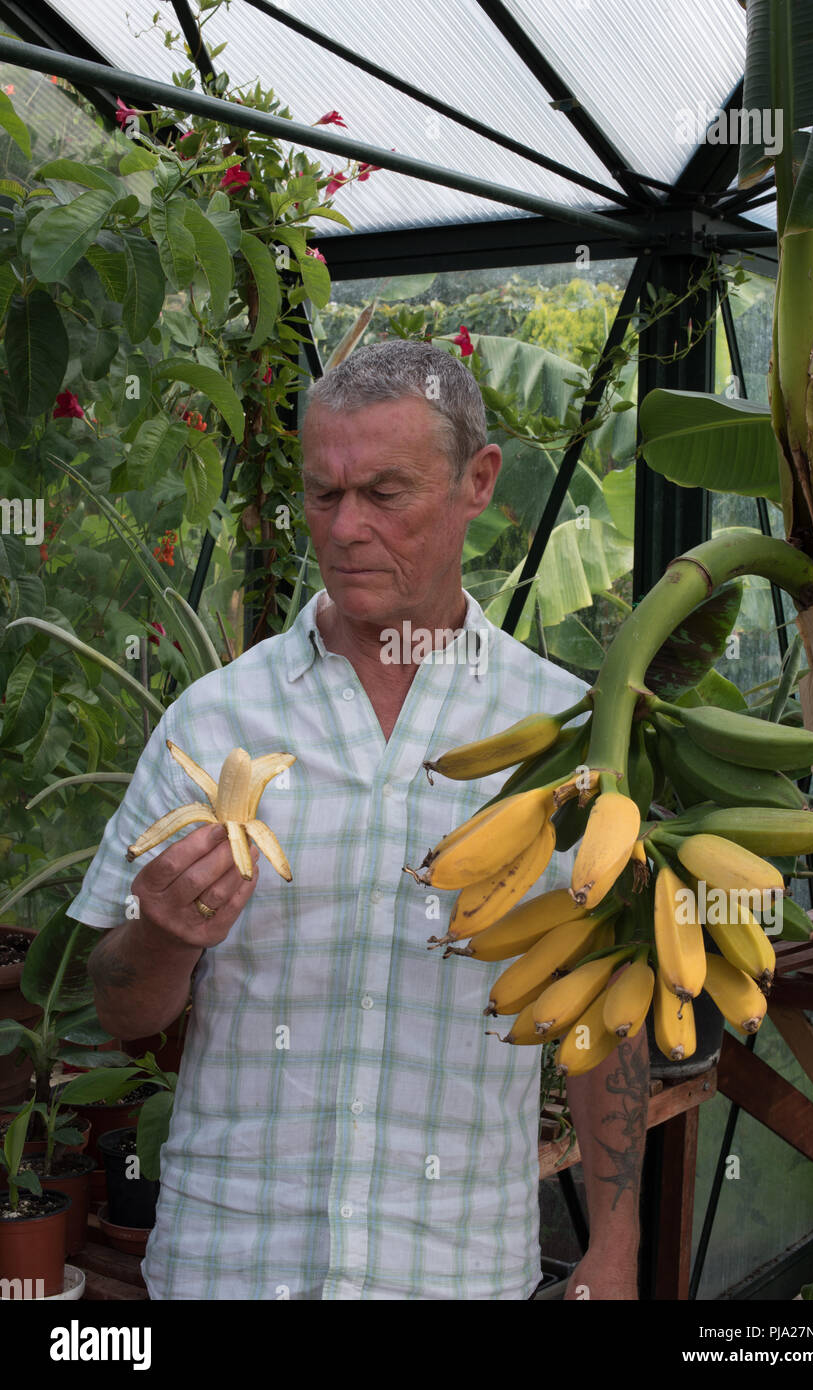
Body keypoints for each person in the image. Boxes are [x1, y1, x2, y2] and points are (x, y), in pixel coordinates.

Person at [70, 339, 647, 1300]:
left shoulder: (566, 742)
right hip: (228, 1265)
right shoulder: (216, 721)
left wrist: (615, 1252)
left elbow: (606, 1015)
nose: (344, 529)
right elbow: (120, 1011)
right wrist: (163, 939)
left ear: (478, 481)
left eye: (384, 493)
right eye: (322, 494)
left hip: (454, 1268)